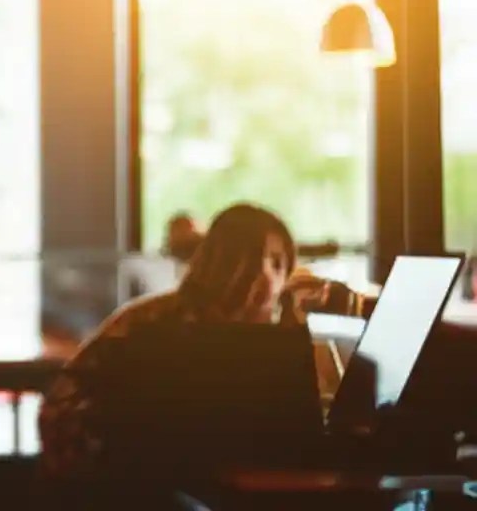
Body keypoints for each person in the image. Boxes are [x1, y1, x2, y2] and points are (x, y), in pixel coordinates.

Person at [40, 203, 361, 480]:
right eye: (249, 261)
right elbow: (65, 411)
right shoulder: (151, 323)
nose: (265, 276)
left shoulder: (286, 337)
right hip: (121, 480)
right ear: (217, 264)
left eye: (277, 263)